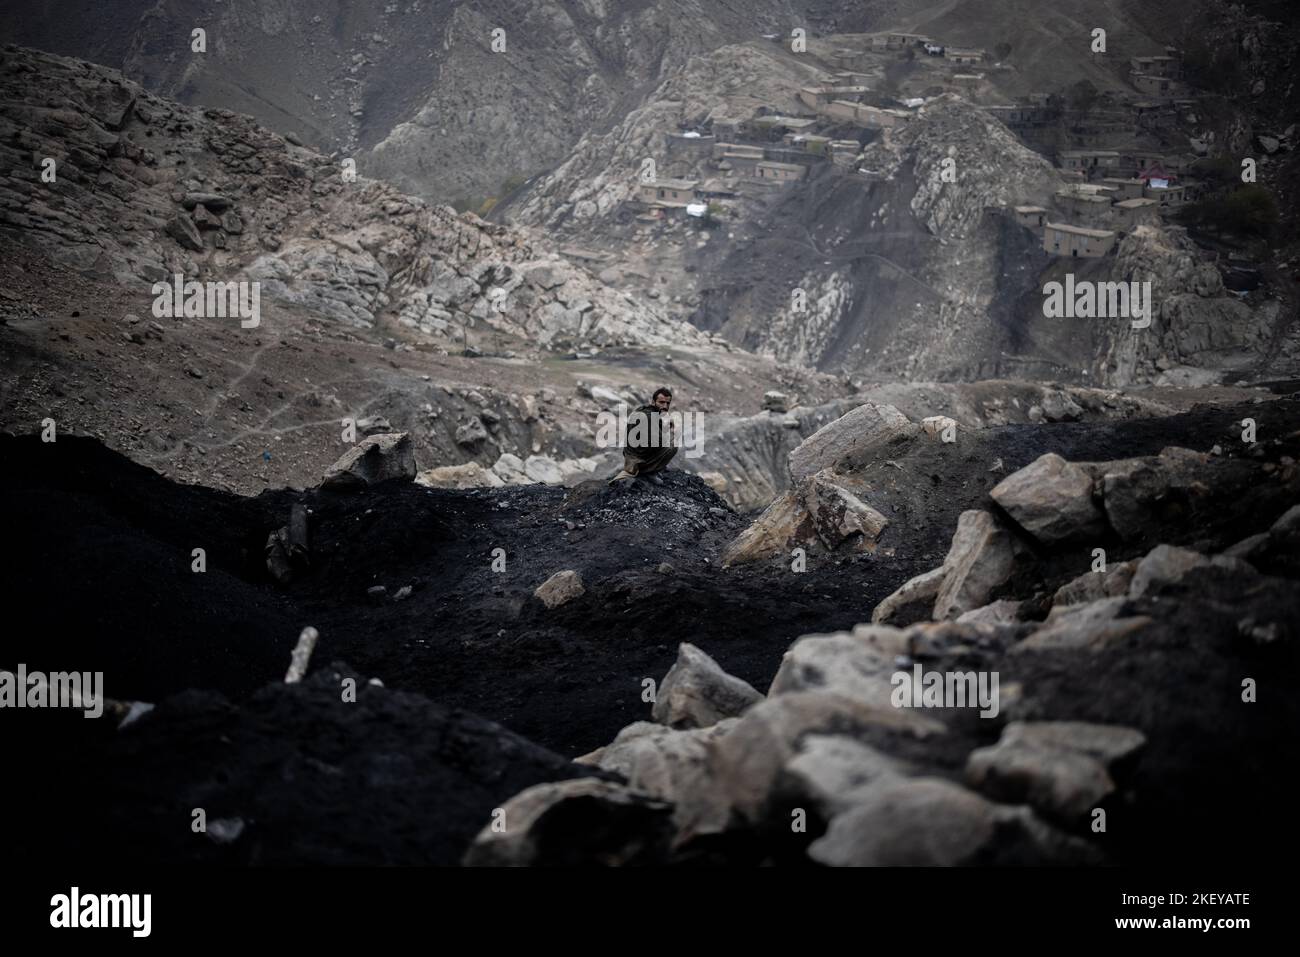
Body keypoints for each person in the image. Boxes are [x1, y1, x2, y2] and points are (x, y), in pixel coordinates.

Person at [609, 387, 678, 484]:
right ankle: (649, 472)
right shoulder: (651, 417)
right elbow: (658, 442)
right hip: (638, 460)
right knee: (673, 445)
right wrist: (671, 431)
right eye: (661, 402)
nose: (665, 406)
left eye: (667, 403)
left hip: (632, 455)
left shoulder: (644, 410)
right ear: (653, 402)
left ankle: (651, 467)